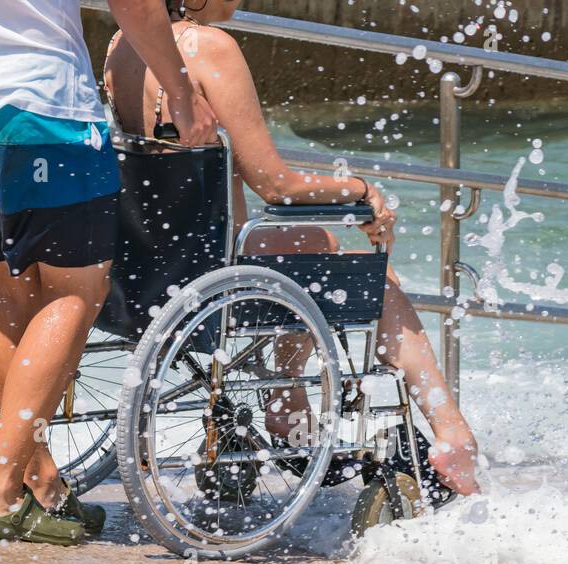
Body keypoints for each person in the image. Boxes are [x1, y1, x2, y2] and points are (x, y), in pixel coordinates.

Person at [103, 0, 481, 495]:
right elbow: (276, 186)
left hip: (146, 262)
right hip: (215, 274)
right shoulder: (212, 48)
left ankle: (287, 400)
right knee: (377, 281)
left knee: (317, 241)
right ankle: (451, 431)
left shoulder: (122, 44)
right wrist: (362, 192)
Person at [0, 0, 217, 545]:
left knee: (16, 286)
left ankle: (42, 486)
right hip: (43, 104)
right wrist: (181, 91)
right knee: (74, 293)